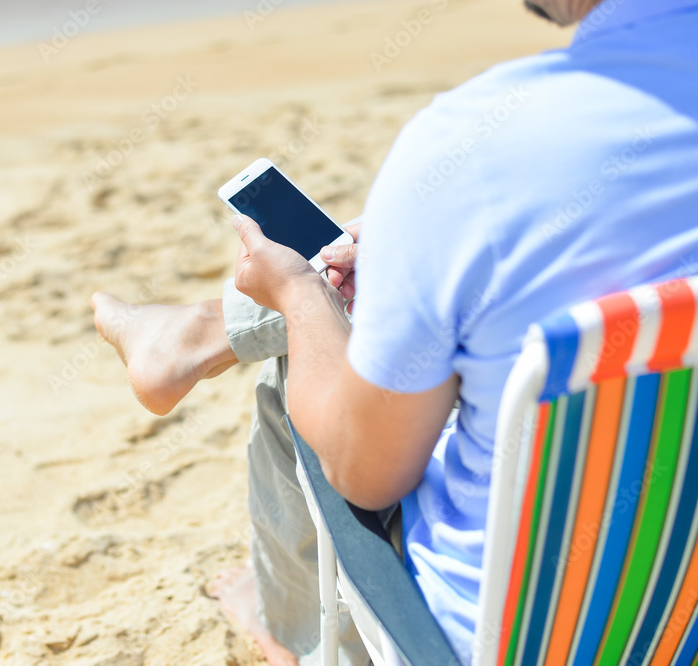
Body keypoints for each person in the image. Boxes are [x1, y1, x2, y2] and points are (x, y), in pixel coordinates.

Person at [93, 0, 698, 662]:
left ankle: (294, 633)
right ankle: (200, 334)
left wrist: (298, 296)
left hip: (514, 639)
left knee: (313, 354)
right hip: (681, 611)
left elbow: (363, 474)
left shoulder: (476, 142)